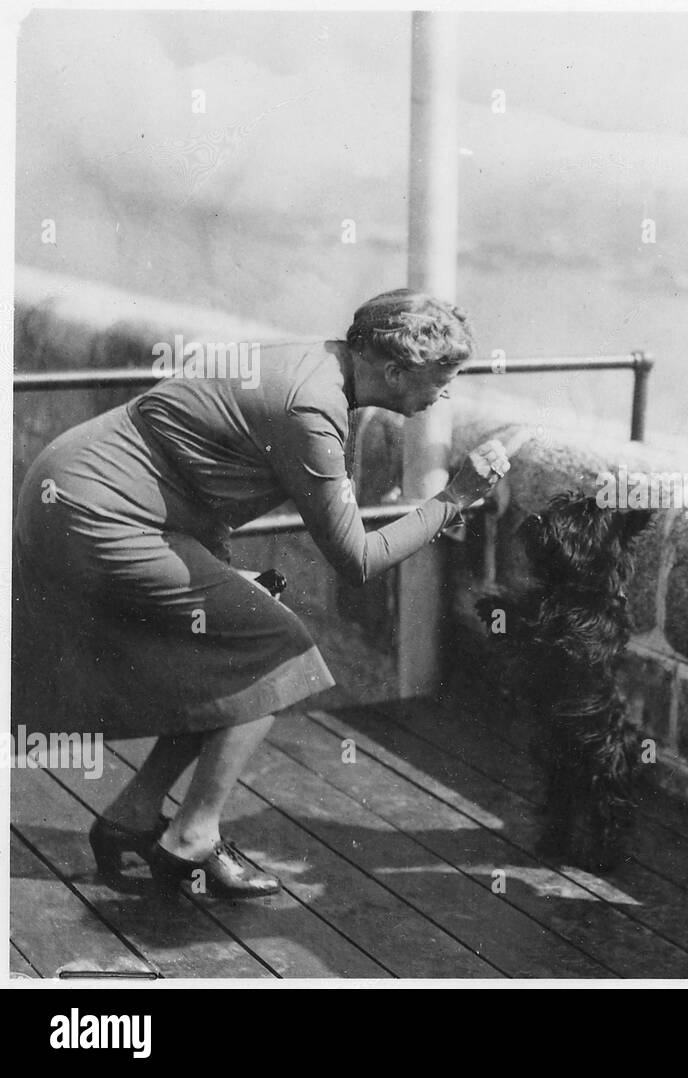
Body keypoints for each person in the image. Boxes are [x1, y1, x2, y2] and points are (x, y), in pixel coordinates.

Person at [12, 289, 511, 899]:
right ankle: (192, 836)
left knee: (228, 650)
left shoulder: (319, 367)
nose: (447, 394)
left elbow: (195, 463)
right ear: (395, 371)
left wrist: (217, 568)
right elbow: (358, 559)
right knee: (280, 647)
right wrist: (454, 498)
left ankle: (133, 816)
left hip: (87, 490)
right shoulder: (314, 408)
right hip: (97, 513)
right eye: (443, 377)